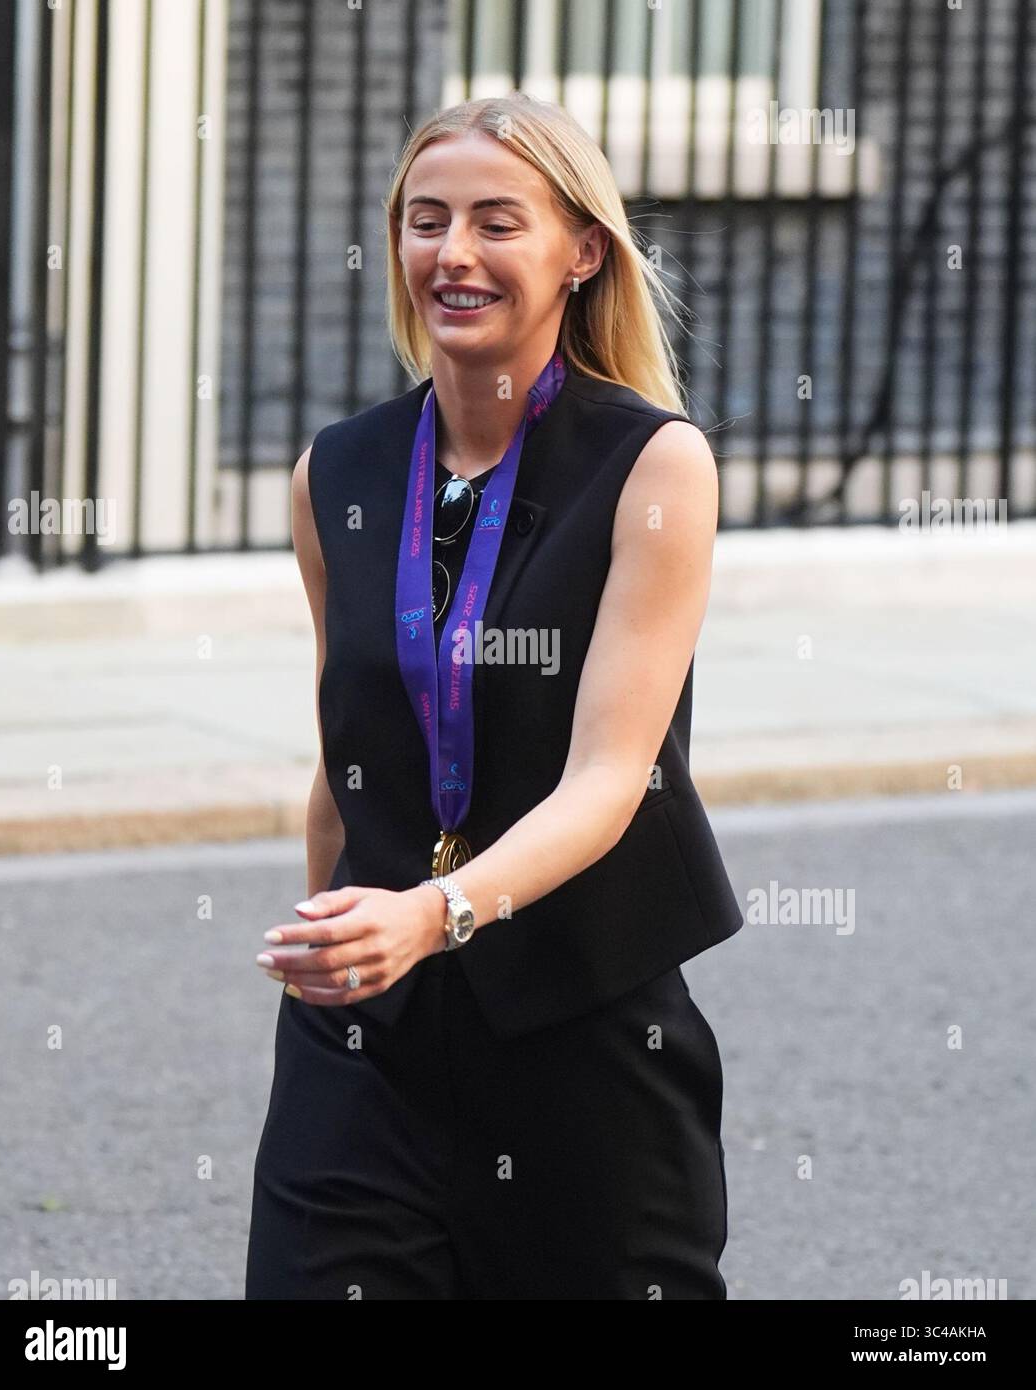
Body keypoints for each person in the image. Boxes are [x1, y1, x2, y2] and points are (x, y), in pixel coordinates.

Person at [245, 92, 744, 1301]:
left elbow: (610, 779)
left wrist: (433, 913)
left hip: (580, 1028)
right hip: (372, 1039)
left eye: (493, 221)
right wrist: (336, 927)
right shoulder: (339, 470)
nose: (450, 253)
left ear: (581, 252)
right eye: (424, 220)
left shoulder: (651, 464)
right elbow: (348, 747)